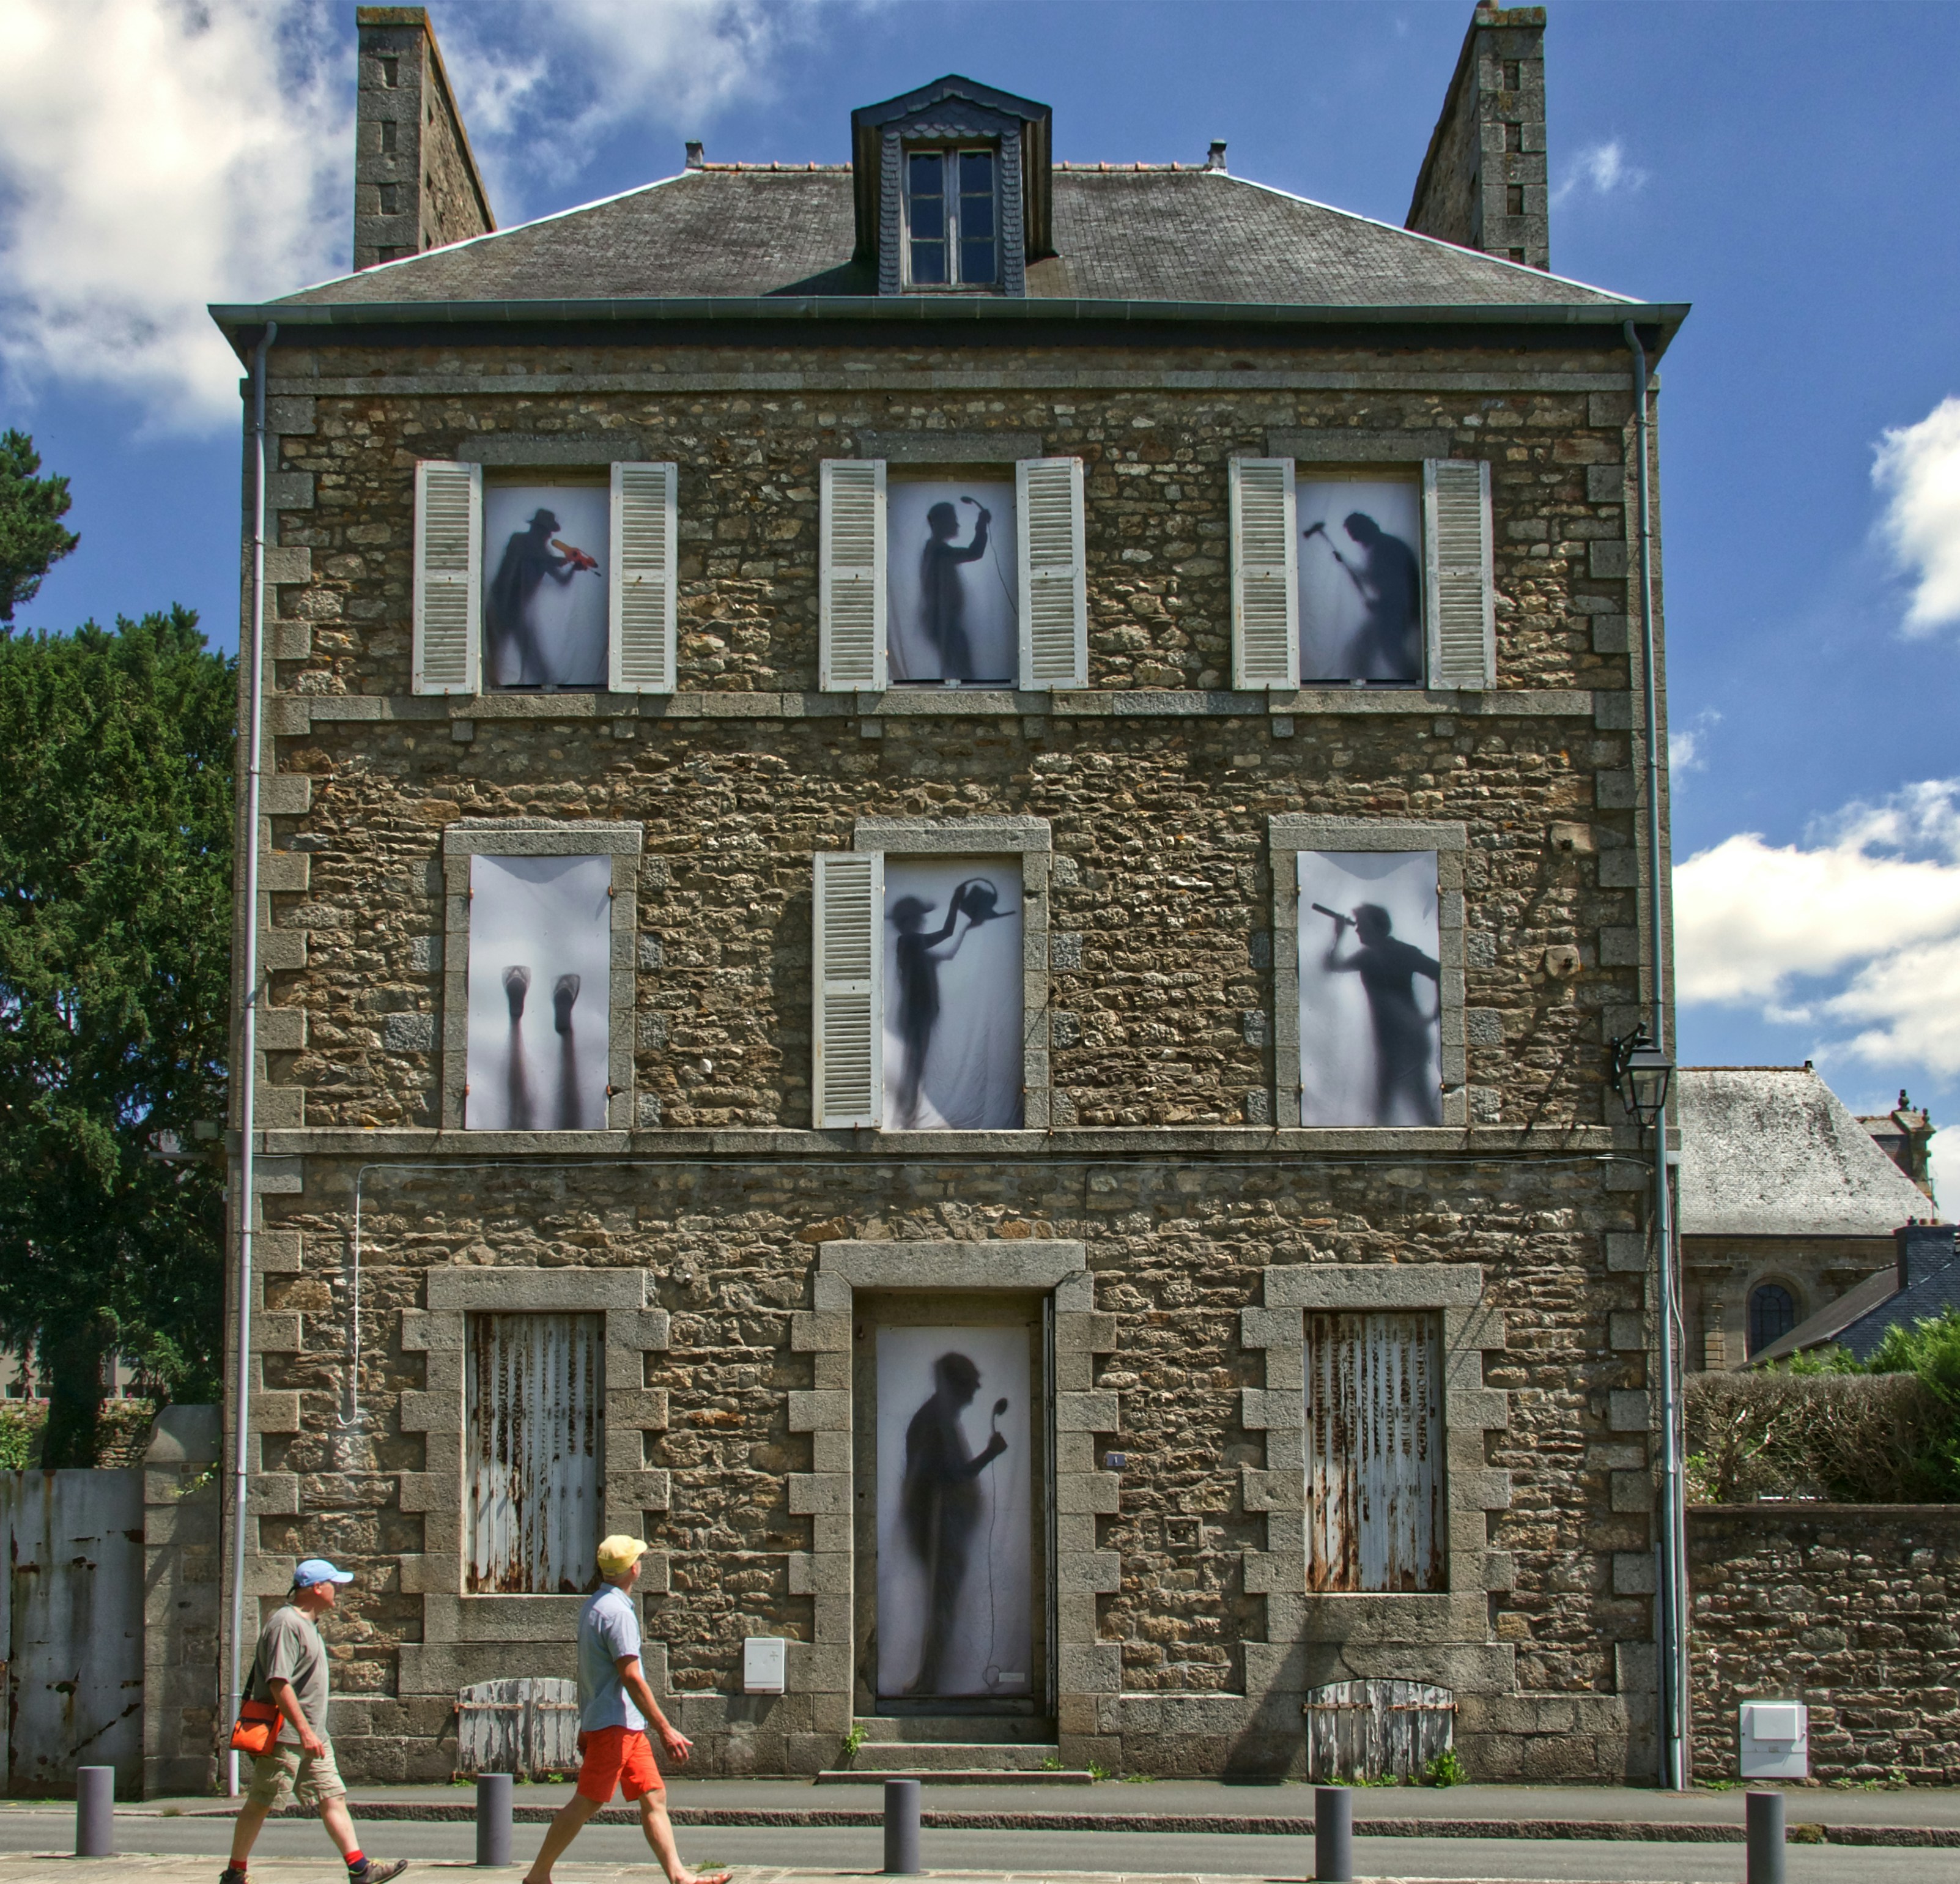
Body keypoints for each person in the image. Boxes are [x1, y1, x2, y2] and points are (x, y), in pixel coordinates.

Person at [522, 1536, 728, 1884]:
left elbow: (590, 1673)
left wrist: (586, 1723)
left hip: (622, 1724)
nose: (641, 1564)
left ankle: (679, 1877)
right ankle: (538, 1875)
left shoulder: (596, 1605)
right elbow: (630, 1676)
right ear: (633, 1569)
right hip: (616, 1725)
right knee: (587, 1801)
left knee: (653, 1795)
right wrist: (665, 1728)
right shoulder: (618, 1614)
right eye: (639, 1559)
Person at [220, 1558, 405, 1884]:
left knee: (332, 1796)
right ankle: (236, 1872)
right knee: (261, 1801)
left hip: (312, 1736)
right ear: (317, 1588)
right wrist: (304, 1731)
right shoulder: (285, 1624)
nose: (339, 1591)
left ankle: (360, 1869)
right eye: (334, 1584)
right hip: (288, 1736)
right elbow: (279, 1683)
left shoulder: (308, 1623)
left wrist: (312, 1733)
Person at [900, 1352, 1007, 1696]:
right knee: (941, 1603)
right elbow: (951, 1475)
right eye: (968, 1390)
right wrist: (990, 1454)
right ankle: (929, 1682)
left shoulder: (939, 1417)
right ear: (954, 1387)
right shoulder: (935, 1421)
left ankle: (930, 1680)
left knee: (942, 1603)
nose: (972, 1398)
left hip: (944, 1528)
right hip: (938, 1529)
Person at [1322, 902, 1442, 1125]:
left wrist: (1338, 935)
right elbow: (1439, 972)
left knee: (1394, 1107)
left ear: (1374, 927)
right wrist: (1433, 1015)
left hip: (1400, 1042)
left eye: (1361, 925)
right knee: (1408, 1106)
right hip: (1403, 1039)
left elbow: (1332, 965)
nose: (1357, 930)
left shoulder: (1371, 957)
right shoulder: (1399, 952)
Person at [1304, 510, 1421, 680]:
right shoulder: (1382, 546)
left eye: (1354, 534)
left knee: (1381, 650)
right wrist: (1347, 563)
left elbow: (1395, 582)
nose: (1353, 539)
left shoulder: (1386, 547)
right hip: (1392, 608)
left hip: (1398, 610)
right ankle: (1378, 684)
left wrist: (1382, 603)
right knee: (1366, 651)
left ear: (1364, 528)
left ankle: (1410, 683)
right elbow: (1373, 577)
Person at [486, 507, 582, 687]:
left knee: (533, 655)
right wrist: (563, 560)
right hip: (499, 603)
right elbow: (531, 553)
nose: (547, 536)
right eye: (544, 530)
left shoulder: (544, 555)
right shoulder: (519, 540)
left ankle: (545, 687)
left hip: (516, 610)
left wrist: (573, 568)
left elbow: (561, 581)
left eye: (548, 532)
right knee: (492, 654)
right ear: (536, 528)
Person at [917, 497, 991, 680]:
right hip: (944, 622)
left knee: (956, 669)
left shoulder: (934, 549)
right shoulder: (937, 550)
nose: (957, 524)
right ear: (941, 523)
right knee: (961, 671)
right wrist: (981, 525)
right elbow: (974, 552)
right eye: (953, 519)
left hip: (944, 621)